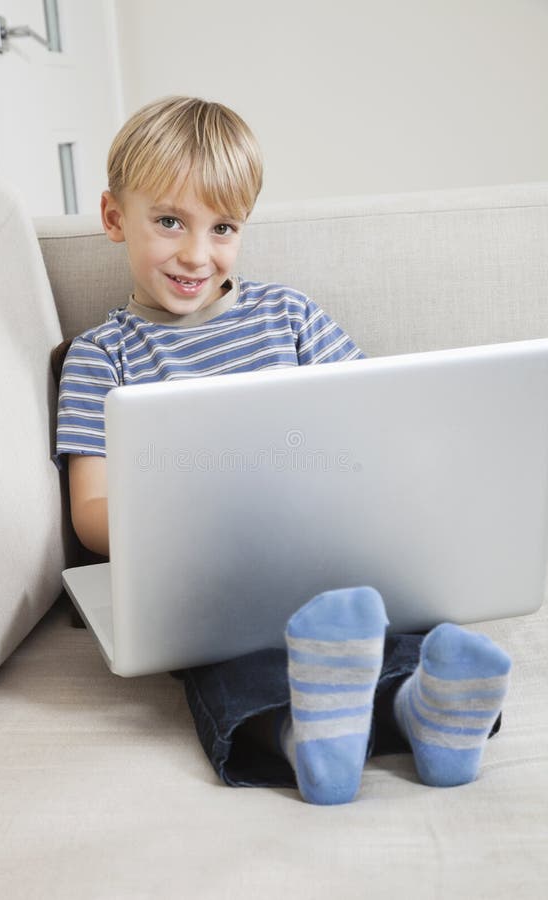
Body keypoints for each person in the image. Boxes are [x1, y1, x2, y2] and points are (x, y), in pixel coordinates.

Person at [54, 96, 511, 805]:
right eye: (169, 220)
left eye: (223, 227)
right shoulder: (102, 355)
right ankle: (307, 742)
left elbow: (378, 421)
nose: (195, 254)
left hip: (328, 570)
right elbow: (89, 512)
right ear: (115, 218)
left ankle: (420, 711)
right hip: (205, 591)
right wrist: (190, 527)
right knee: (231, 668)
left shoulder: (291, 318)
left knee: (393, 632)